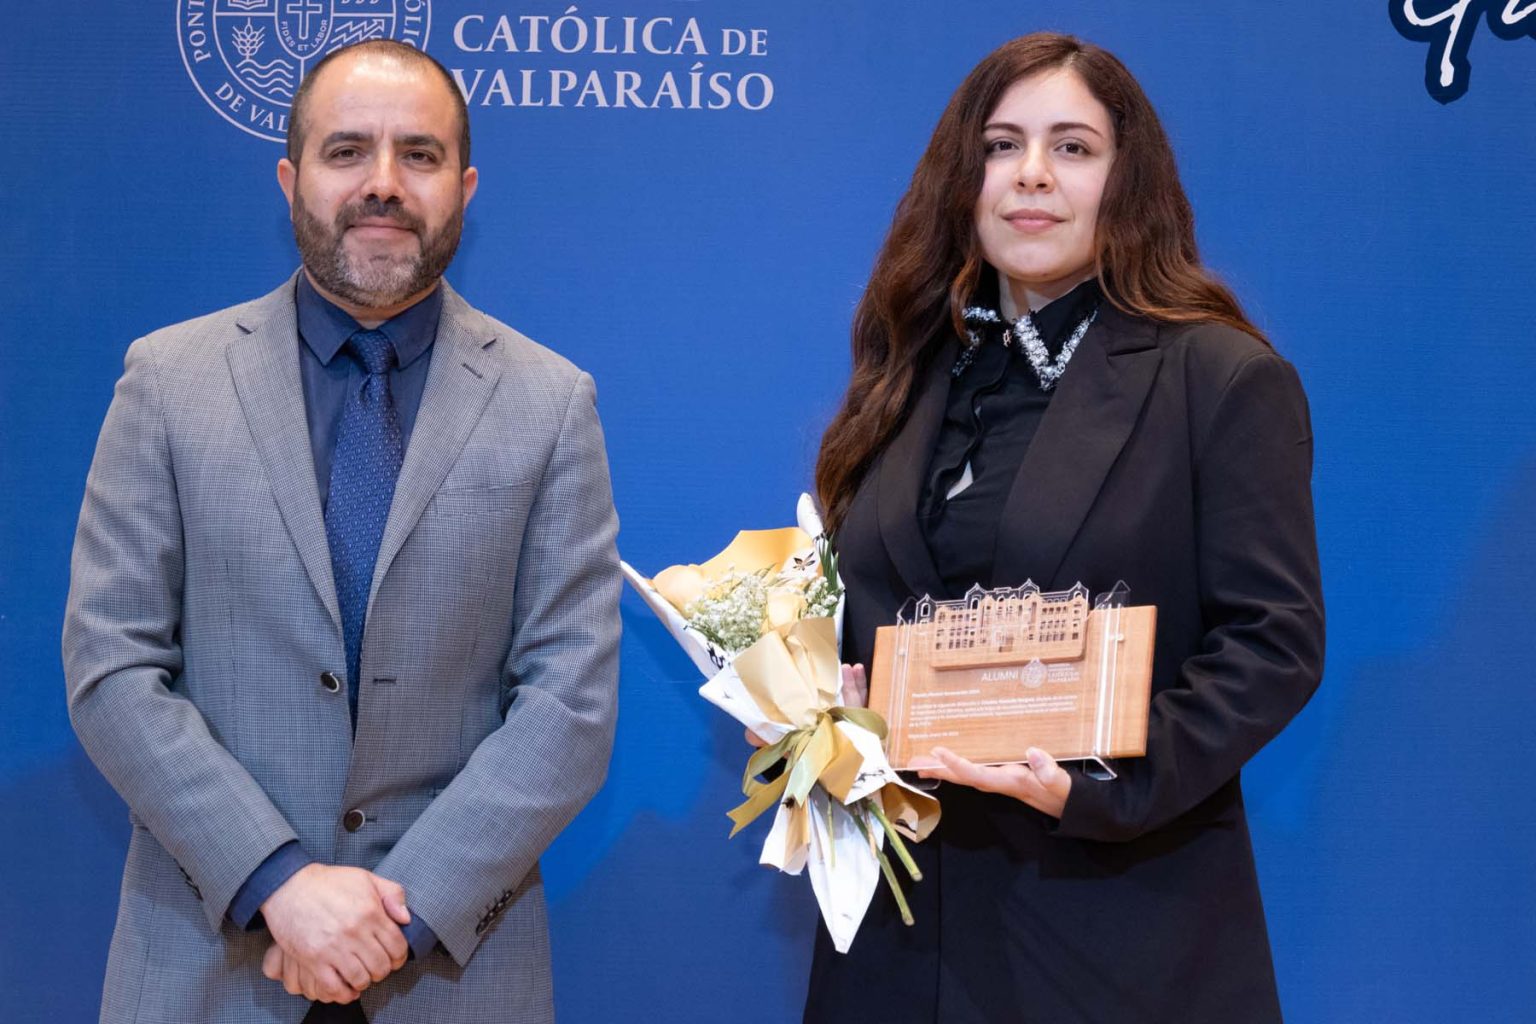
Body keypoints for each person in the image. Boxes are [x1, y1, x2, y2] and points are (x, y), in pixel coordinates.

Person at [62, 39, 619, 1024]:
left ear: (465, 184)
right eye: (346, 151)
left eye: (419, 155)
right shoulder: (167, 380)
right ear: (290, 178)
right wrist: (277, 879)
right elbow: (112, 665)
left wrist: (395, 920)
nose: (382, 185)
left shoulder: (550, 401)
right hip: (209, 965)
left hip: (454, 974)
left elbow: (569, 704)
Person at [804, 33, 1324, 1023]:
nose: (1031, 175)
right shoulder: (905, 377)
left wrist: (1093, 783)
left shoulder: (1218, 379)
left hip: (1113, 932)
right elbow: (862, 617)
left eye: (1073, 148)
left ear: (1126, 180)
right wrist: (804, 710)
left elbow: (1274, 643)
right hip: (895, 942)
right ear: (966, 180)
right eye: (1002, 146)